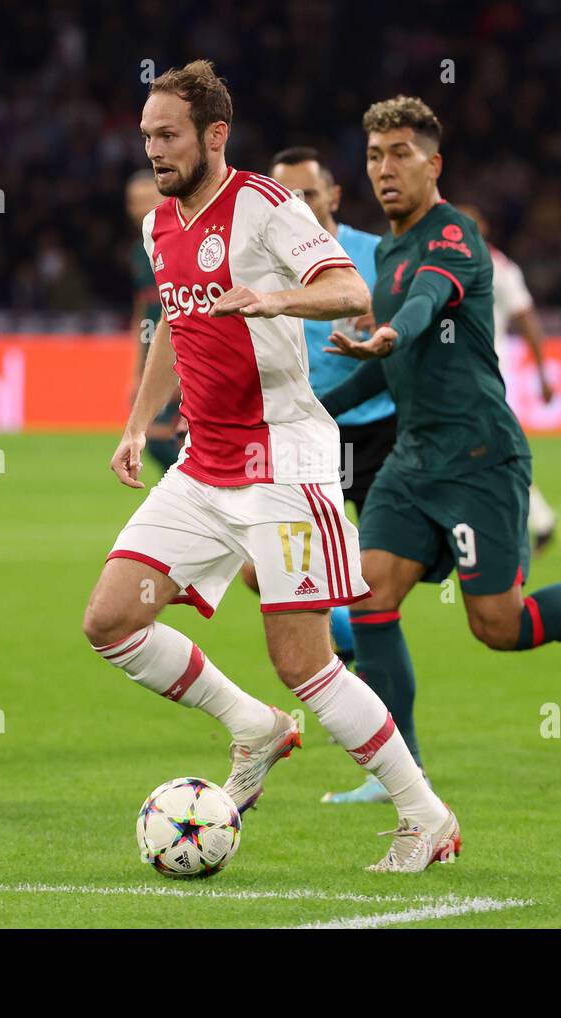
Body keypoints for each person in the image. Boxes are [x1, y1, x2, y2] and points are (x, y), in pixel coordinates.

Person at [82, 64, 460, 874]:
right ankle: (254, 725)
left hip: (282, 463)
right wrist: (135, 424)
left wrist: (275, 298)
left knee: (304, 661)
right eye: (147, 136)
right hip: (203, 464)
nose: (155, 150)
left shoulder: (264, 204)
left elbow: (349, 288)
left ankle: (425, 816)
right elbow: (175, 333)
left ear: (215, 135)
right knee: (110, 620)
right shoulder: (160, 227)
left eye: (169, 135)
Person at [316, 96, 561, 800]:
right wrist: (316, 408)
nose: (385, 169)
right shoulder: (391, 252)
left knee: (498, 627)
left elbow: (426, 304)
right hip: (413, 459)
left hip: (479, 458)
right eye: (374, 155)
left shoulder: (454, 236)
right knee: (372, 595)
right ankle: (399, 771)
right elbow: (388, 363)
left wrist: (393, 332)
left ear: (434, 164)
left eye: (401, 153)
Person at [237, 147, 393, 683]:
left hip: (377, 430)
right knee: (260, 571)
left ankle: (375, 701)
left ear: (334, 195)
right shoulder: (263, 260)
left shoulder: (375, 253)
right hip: (300, 434)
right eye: (286, 194)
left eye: (307, 192)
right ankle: (347, 654)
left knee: (376, 578)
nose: (297, 202)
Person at [454, 202, 560, 554]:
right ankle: (537, 519)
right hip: (454, 374)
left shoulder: (500, 268)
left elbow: (527, 319)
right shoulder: (444, 262)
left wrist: (543, 372)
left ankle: (531, 520)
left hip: (486, 372)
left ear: (483, 228)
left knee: (485, 448)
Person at [125, 171, 184, 470]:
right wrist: (138, 371)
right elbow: (143, 310)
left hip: (180, 355)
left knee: (162, 438)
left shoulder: (177, 242)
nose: (139, 208)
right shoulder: (139, 250)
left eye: (147, 200)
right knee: (158, 439)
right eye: (134, 202)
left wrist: (179, 373)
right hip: (155, 352)